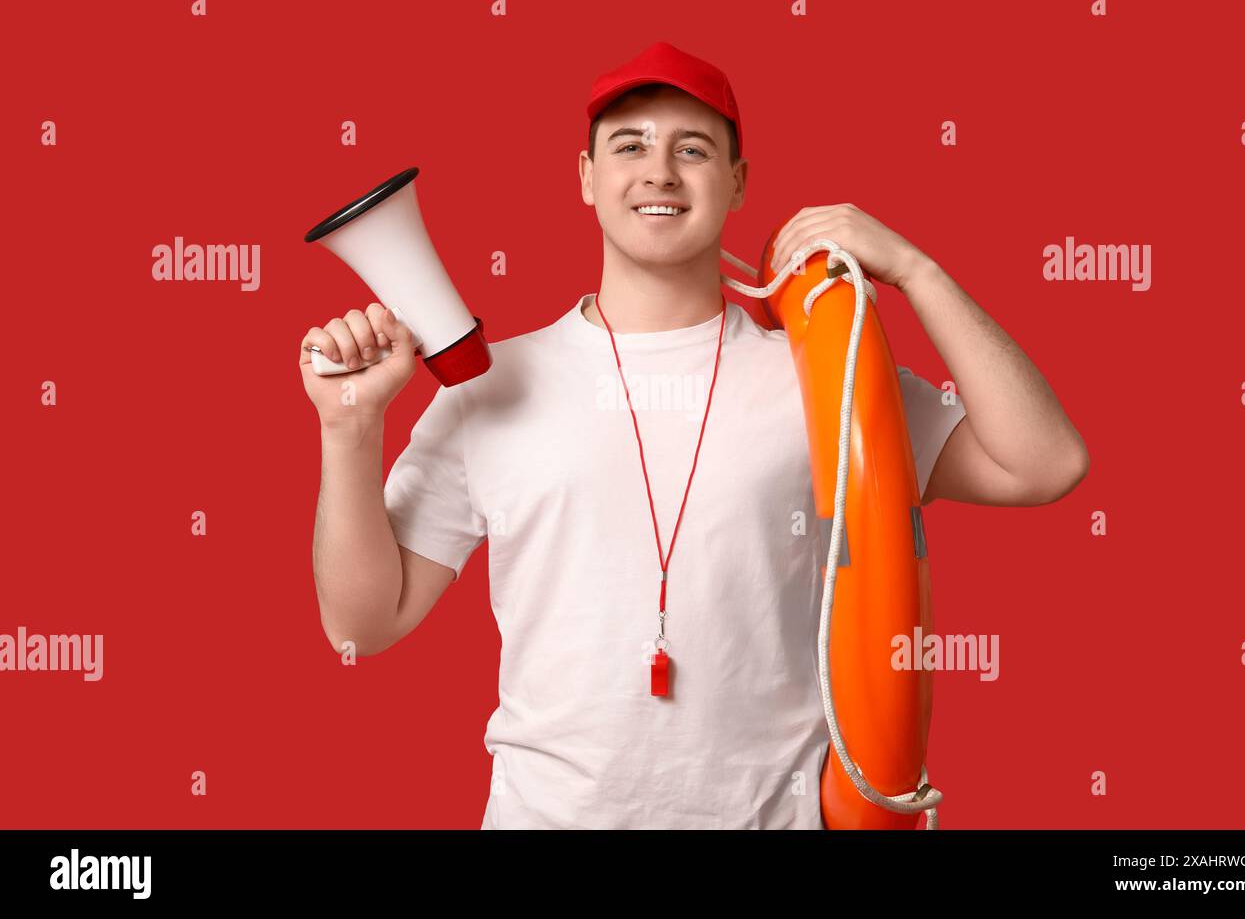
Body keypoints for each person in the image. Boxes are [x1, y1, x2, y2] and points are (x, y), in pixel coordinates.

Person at [300, 42, 1089, 829]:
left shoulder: (826, 377)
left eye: (694, 149)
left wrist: (918, 270)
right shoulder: (485, 390)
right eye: (630, 145)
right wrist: (350, 430)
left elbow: (1045, 464)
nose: (660, 172)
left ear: (737, 182)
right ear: (586, 177)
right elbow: (363, 625)